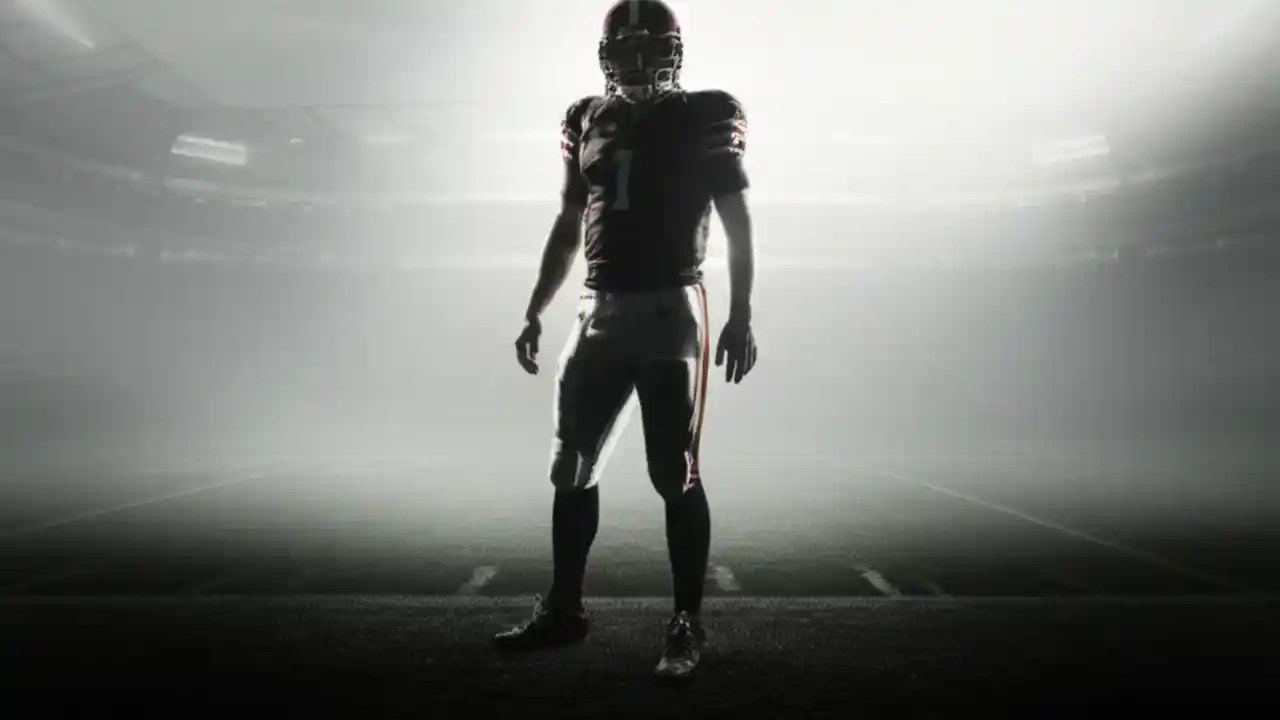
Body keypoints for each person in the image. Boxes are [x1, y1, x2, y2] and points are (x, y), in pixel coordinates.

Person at [494, 0, 757, 682]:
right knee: (570, 467)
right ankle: (566, 608)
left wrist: (742, 311)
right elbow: (568, 217)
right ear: (608, 53)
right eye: (627, 48)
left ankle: (686, 621)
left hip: (673, 301)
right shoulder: (584, 115)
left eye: (651, 48)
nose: (638, 62)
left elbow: (735, 218)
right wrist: (536, 305)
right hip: (597, 306)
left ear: (673, 50)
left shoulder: (708, 109)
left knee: (674, 471)